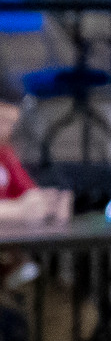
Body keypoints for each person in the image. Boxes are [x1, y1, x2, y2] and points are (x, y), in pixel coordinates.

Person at [0, 74, 69, 227]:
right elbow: (21, 208)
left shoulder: (5, 155)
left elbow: (29, 194)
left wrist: (49, 202)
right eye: (3, 121)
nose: (8, 130)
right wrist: (17, 210)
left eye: (12, 123)